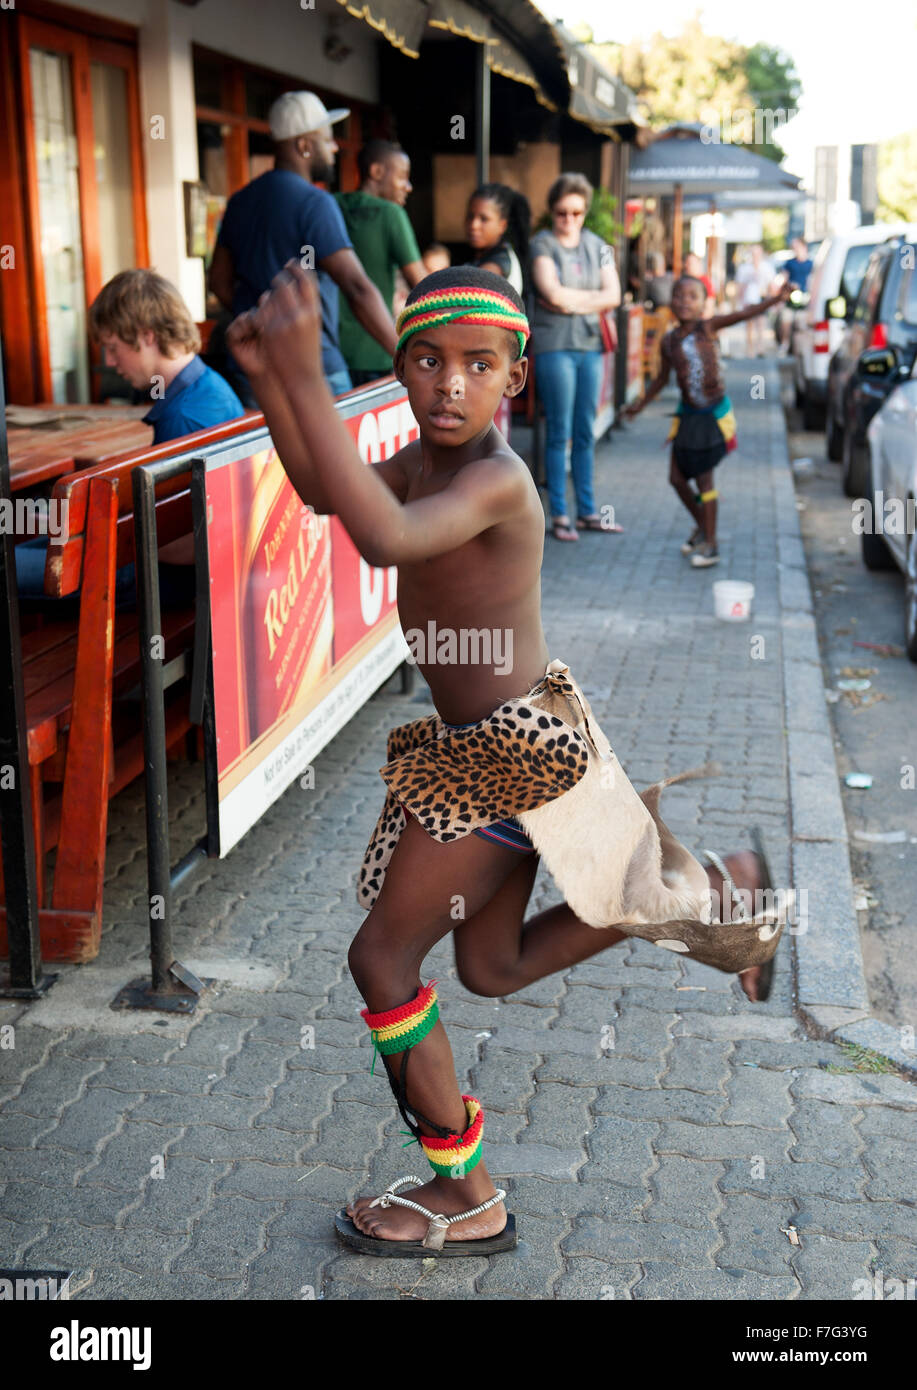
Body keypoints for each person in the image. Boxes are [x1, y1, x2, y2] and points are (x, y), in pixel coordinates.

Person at [225, 260, 786, 1256]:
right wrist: (272, 379)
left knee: (381, 956)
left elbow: (387, 537)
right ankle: (716, 893)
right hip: (484, 751)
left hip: (512, 755)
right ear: (399, 367)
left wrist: (305, 380)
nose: (449, 383)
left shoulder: (494, 477)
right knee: (488, 964)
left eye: (475, 365)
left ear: (513, 380)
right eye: (427, 360)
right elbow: (322, 489)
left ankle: (467, 1193)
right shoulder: (423, 459)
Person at [16, 269, 245, 609]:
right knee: (32, 531)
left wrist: (106, 529)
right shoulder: (210, 388)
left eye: (113, 348)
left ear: (147, 336)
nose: (110, 362)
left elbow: (187, 545)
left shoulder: (182, 417)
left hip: (149, 586)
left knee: (16, 559)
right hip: (168, 576)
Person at [208, 90, 396, 405]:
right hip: (314, 366)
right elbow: (356, 287)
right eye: (326, 140)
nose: (335, 148)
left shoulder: (240, 202)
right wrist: (401, 354)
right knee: (335, 454)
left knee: (266, 455)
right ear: (304, 146)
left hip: (253, 366)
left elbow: (219, 282)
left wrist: (258, 316)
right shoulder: (314, 203)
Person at [623, 274, 791, 568]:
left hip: (712, 417)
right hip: (687, 416)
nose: (684, 302)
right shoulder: (669, 340)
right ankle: (703, 525)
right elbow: (662, 379)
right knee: (677, 479)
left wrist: (777, 299)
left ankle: (711, 544)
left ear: (703, 304)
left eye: (692, 297)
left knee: (704, 480)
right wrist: (640, 405)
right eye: (678, 296)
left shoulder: (708, 328)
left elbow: (744, 313)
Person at [530, 173, 623, 542]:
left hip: (589, 346)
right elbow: (549, 291)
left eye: (576, 212)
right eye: (562, 212)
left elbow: (613, 294)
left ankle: (586, 510)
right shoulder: (542, 243)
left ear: (584, 212)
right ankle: (560, 515)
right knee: (560, 432)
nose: (569, 219)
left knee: (586, 430)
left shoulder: (598, 244)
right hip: (555, 345)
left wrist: (571, 301)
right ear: (552, 211)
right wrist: (588, 300)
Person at [336, 140, 426, 386]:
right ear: (376, 172)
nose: (408, 187)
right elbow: (424, 285)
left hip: (330, 354)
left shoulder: (332, 206)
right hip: (376, 351)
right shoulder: (391, 214)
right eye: (402, 177)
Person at [464, 182, 530, 296]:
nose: (473, 225)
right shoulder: (484, 255)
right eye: (470, 216)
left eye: (484, 219)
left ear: (502, 225)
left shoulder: (498, 263)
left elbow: (465, 295)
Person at [734, 244, 778, 356]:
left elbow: (771, 285)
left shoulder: (766, 267)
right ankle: (750, 348)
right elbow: (740, 285)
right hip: (749, 298)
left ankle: (760, 347)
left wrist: (772, 300)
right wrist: (739, 300)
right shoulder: (745, 268)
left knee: (761, 323)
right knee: (749, 324)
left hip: (761, 297)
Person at [775, 237, 814, 354]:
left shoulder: (811, 263)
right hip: (791, 298)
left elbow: (813, 279)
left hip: (805, 298)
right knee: (786, 320)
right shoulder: (789, 263)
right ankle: (785, 343)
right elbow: (783, 278)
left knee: (802, 324)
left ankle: (800, 349)